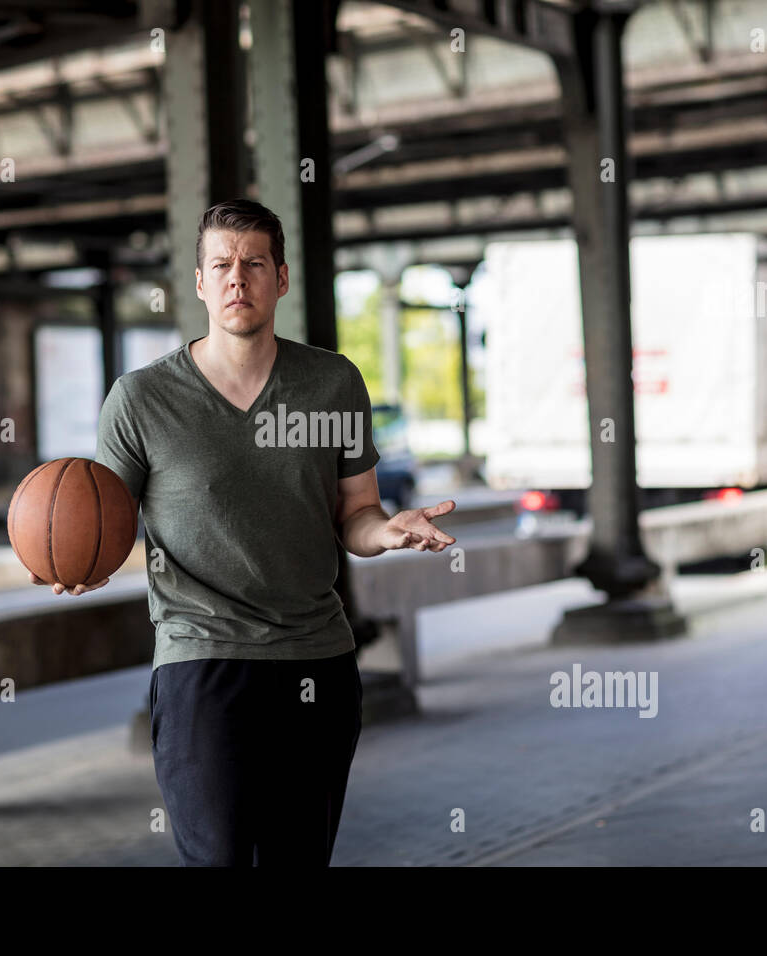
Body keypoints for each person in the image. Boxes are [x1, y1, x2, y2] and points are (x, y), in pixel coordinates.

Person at [31, 198, 456, 866]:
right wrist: (72, 563)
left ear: (280, 279)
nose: (238, 279)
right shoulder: (142, 399)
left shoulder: (332, 384)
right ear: (199, 283)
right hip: (202, 658)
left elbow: (358, 516)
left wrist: (392, 532)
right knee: (220, 856)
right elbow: (103, 520)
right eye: (222, 265)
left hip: (315, 660)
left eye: (254, 264)